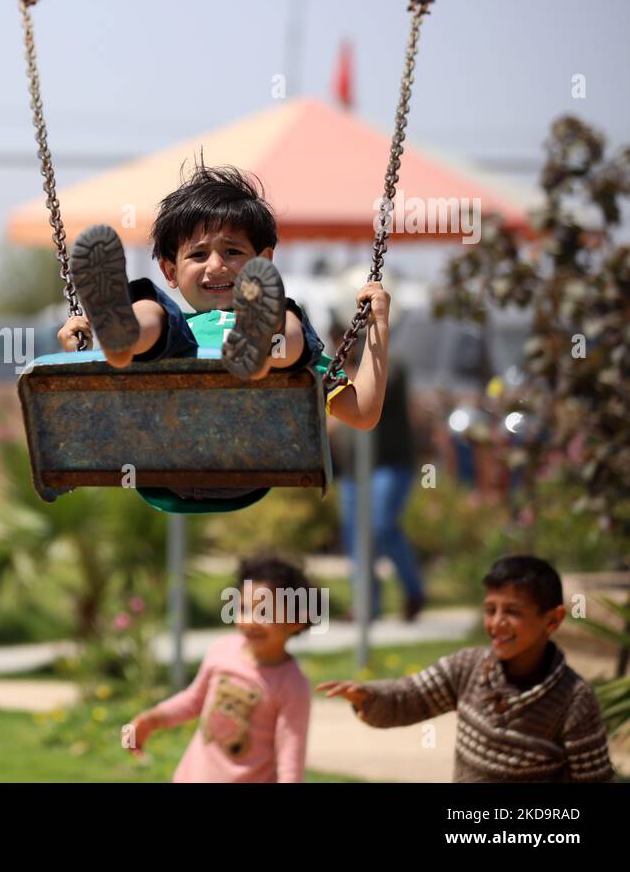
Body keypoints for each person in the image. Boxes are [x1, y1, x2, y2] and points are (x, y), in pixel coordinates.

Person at [56, 164, 389, 514]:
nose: (216, 266)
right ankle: (124, 334)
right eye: (198, 255)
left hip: (242, 460)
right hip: (172, 460)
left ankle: (260, 344)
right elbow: (93, 414)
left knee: (287, 318)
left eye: (232, 252)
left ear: (264, 261)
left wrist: (379, 324)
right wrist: (77, 358)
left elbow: (362, 411)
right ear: (171, 271)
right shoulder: (178, 327)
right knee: (154, 310)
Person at [318, 555, 615, 782]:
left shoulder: (574, 701)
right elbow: (413, 695)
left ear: (552, 620)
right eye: (490, 610)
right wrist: (369, 697)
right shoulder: (469, 668)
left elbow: (595, 780)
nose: (497, 622)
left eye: (512, 612)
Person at [127, 557, 316, 782]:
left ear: (296, 621)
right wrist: (152, 719)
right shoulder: (223, 650)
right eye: (243, 609)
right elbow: (193, 700)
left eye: (264, 612)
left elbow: (290, 758)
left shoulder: (292, 685)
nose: (249, 621)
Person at [328, 322, 426, 622]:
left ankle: (413, 590)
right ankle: (366, 605)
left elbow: (374, 388)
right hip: (351, 472)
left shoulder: (390, 365)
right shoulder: (336, 369)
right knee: (356, 537)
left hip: (389, 466)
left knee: (382, 527)